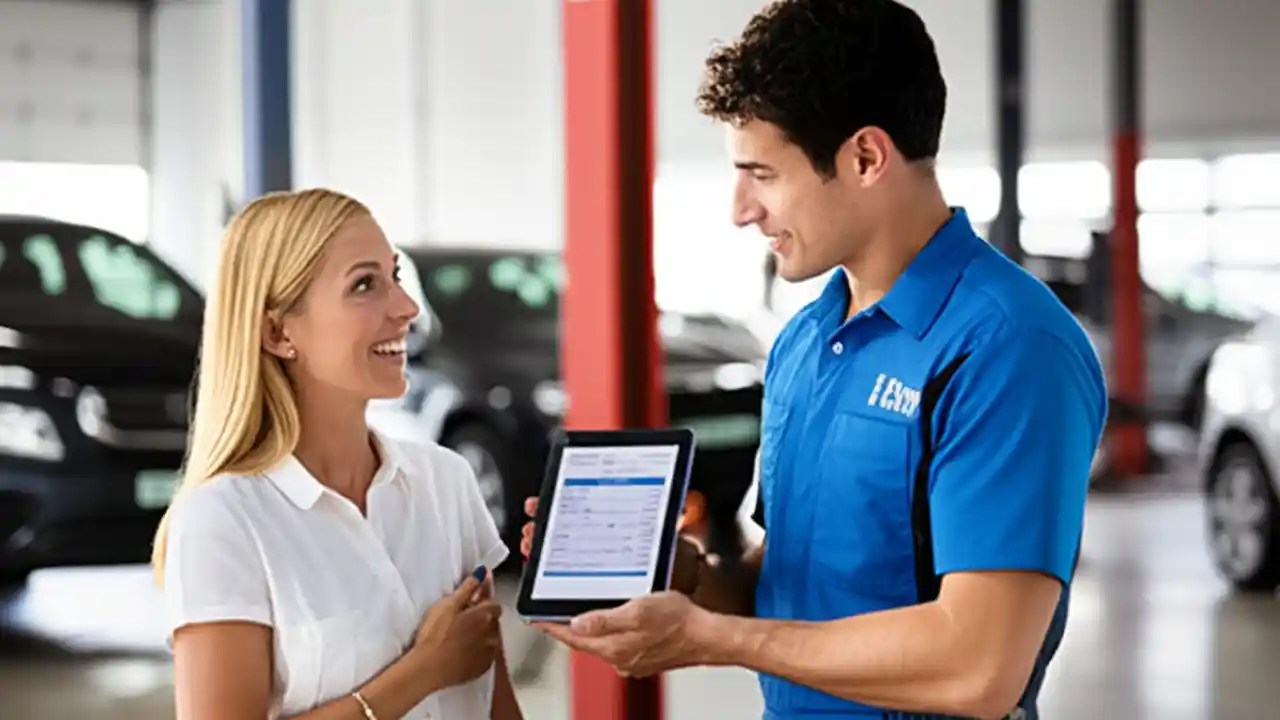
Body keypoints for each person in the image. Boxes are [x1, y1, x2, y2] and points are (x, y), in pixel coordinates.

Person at [523, 1, 1107, 718]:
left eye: (762, 174)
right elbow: (799, 575)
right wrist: (689, 584)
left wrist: (714, 639)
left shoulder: (1009, 347)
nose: (741, 209)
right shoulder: (805, 340)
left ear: (865, 157)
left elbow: (979, 666)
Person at [153, 189, 524, 720]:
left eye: (395, 276)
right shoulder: (223, 520)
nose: (407, 308)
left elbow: (495, 704)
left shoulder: (448, 482)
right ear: (278, 331)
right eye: (365, 285)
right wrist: (423, 672)